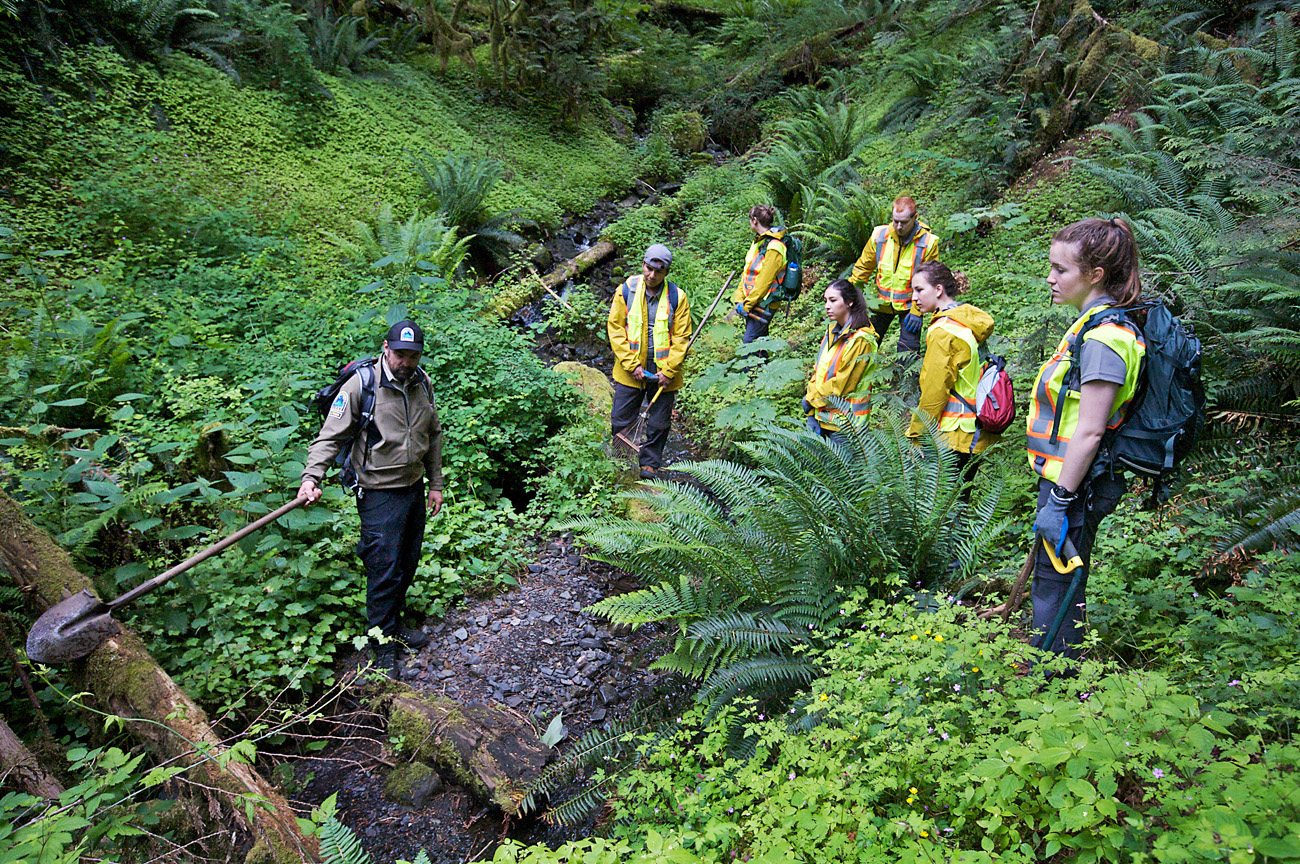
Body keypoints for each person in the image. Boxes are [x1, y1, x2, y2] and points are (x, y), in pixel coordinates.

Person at [1026, 218, 1146, 659]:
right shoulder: (1091, 327)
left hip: (1075, 485)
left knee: (1056, 584)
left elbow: (1092, 429)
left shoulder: (1105, 338)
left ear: (1095, 275)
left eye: (1061, 270)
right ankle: (1052, 666)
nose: (1051, 278)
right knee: (1051, 578)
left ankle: (1054, 678)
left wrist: (1059, 501)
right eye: (1051, 267)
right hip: (1067, 481)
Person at [298, 321, 444, 679]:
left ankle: (393, 626)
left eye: (413, 355)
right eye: (400, 354)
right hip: (378, 493)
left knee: (407, 563)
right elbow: (328, 439)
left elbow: (433, 434)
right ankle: (382, 648)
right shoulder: (360, 386)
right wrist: (310, 478)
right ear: (385, 348)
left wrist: (435, 483)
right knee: (384, 571)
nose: (405, 362)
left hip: (412, 487)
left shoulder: (422, 383)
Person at [905, 261, 999, 492]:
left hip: (950, 434)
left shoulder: (943, 331)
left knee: (944, 511)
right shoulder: (965, 322)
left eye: (919, 290)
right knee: (959, 503)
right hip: (972, 429)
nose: (914, 298)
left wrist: (918, 432)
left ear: (938, 290)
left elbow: (934, 390)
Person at [608, 244, 693, 479]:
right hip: (630, 369)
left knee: (658, 422)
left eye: (658, 271)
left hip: (664, 373)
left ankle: (649, 465)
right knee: (621, 418)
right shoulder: (626, 291)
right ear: (643, 265)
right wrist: (631, 364)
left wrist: (670, 370)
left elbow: (681, 337)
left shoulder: (677, 297)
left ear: (666, 272)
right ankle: (622, 464)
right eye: (648, 269)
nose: (651, 276)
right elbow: (615, 330)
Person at [849, 195, 940, 355]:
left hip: (910, 307)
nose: (898, 227)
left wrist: (917, 311)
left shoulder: (928, 243)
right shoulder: (879, 236)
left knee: (908, 354)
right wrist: (850, 299)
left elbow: (930, 280)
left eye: (903, 222)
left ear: (915, 218)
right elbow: (862, 269)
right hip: (880, 304)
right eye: (895, 221)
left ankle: (903, 380)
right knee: (863, 347)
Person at [802, 279, 877, 441]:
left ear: (849, 302)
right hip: (823, 418)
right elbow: (818, 373)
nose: (827, 306)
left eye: (833, 300)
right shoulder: (831, 334)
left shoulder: (861, 340)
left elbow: (843, 384)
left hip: (848, 425)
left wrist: (811, 400)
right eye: (825, 301)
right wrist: (812, 413)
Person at [732, 205, 788, 344]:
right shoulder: (759, 242)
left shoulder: (775, 246)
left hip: (764, 304)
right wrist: (739, 298)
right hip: (753, 303)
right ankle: (767, 365)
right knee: (760, 344)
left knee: (749, 345)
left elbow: (765, 280)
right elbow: (747, 271)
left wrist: (747, 305)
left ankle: (749, 367)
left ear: (755, 220)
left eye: (750, 219)